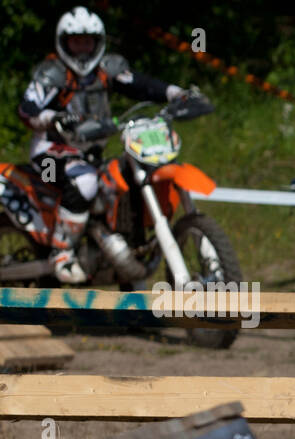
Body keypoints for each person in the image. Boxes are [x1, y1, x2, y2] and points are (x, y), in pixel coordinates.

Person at [18, 6, 188, 283]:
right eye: (76, 41)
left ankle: (123, 258)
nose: (83, 47)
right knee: (85, 182)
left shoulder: (107, 69)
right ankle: (62, 253)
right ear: (64, 42)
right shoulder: (52, 73)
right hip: (51, 151)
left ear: (98, 42)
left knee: (119, 184)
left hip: (89, 151)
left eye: (88, 41)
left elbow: (141, 84)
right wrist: (52, 117)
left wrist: (175, 93)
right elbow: (27, 108)